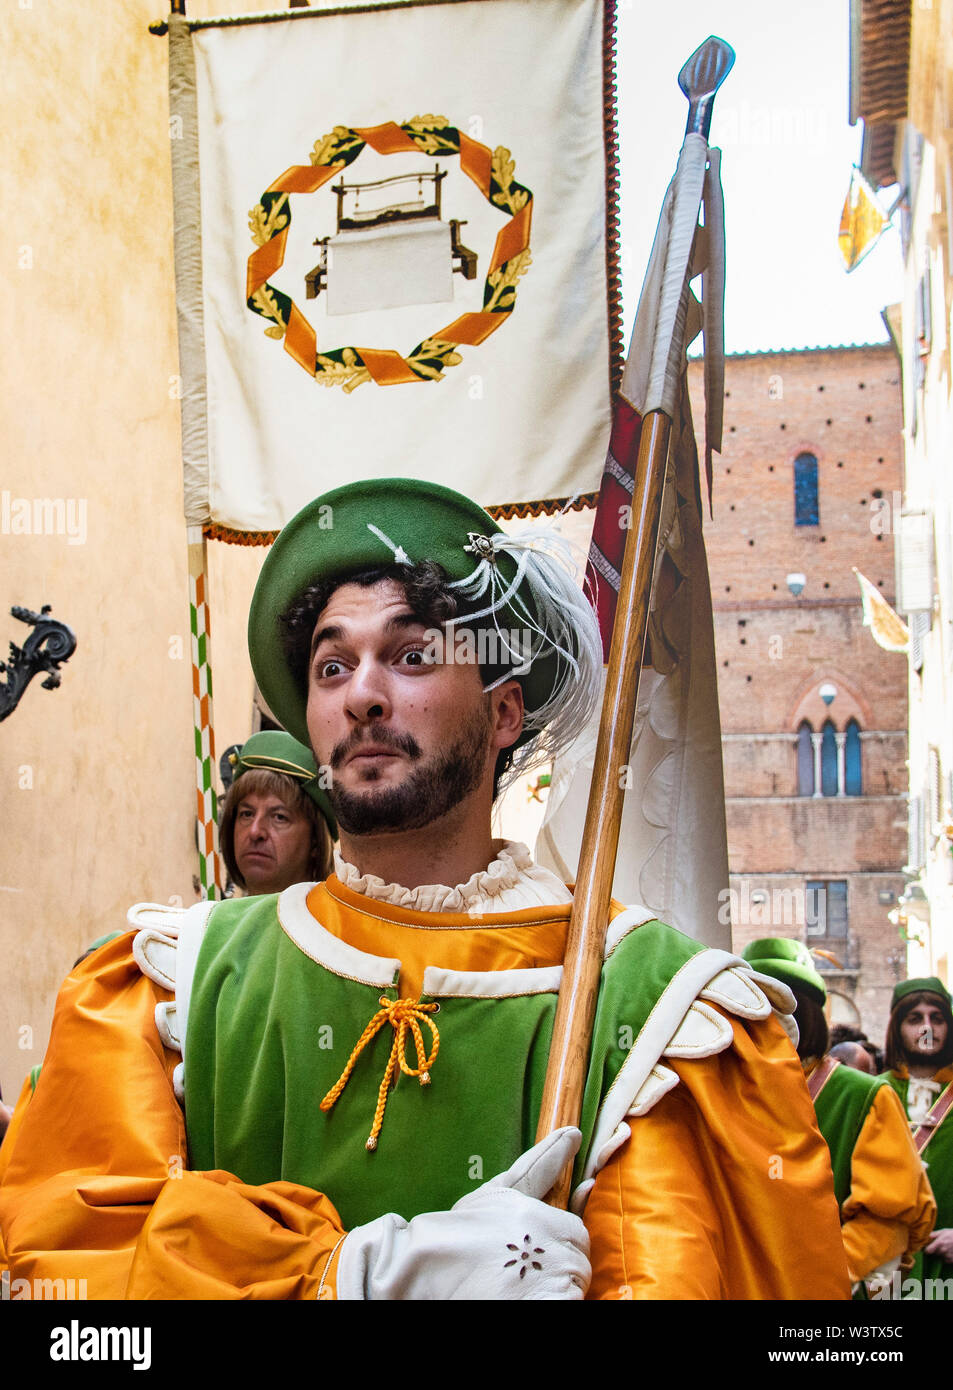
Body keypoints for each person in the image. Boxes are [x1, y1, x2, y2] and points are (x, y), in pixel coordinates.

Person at [0, 479, 851, 1300]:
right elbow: (73, 1277)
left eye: (411, 656)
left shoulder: (660, 1016)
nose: (363, 694)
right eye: (332, 668)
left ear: (504, 712)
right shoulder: (170, 985)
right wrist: (350, 1281)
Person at [742, 938, 935, 1297]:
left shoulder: (863, 1097)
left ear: (807, 1016)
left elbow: (889, 1221)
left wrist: (813, 1280)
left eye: (781, 1008)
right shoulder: (720, 1091)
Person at [882, 977, 953, 1297]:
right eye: (914, 1018)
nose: (927, 1027)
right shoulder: (871, 1092)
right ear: (897, 1027)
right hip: (886, 1275)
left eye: (936, 1018)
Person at [219, 730, 336, 895]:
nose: (255, 832)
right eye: (247, 814)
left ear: (316, 840)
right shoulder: (208, 919)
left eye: (279, 817)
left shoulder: (335, 921)